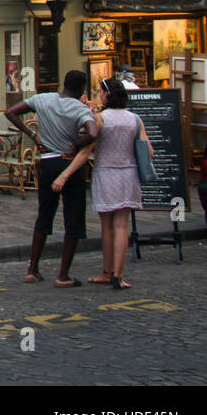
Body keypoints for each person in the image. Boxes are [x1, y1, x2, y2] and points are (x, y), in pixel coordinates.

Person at [5, 69, 98, 288]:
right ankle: (63, 274)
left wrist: (33, 135)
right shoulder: (80, 108)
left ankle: (33, 268)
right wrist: (75, 145)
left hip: (46, 160)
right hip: (69, 163)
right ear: (81, 89)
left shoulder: (43, 99)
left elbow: (11, 112)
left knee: (44, 214)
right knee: (73, 218)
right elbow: (93, 133)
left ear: (64, 83)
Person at [68, 79, 145, 290]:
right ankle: (119, 275)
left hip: (106, 172)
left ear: (107, 95)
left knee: (106, 226)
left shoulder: (100, 119)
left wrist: (65, 174)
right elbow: (148, 151)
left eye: (101, 92)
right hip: (128, 173)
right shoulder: (135, 119)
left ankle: (106, 270)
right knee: (122, 225)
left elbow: (87, 148)